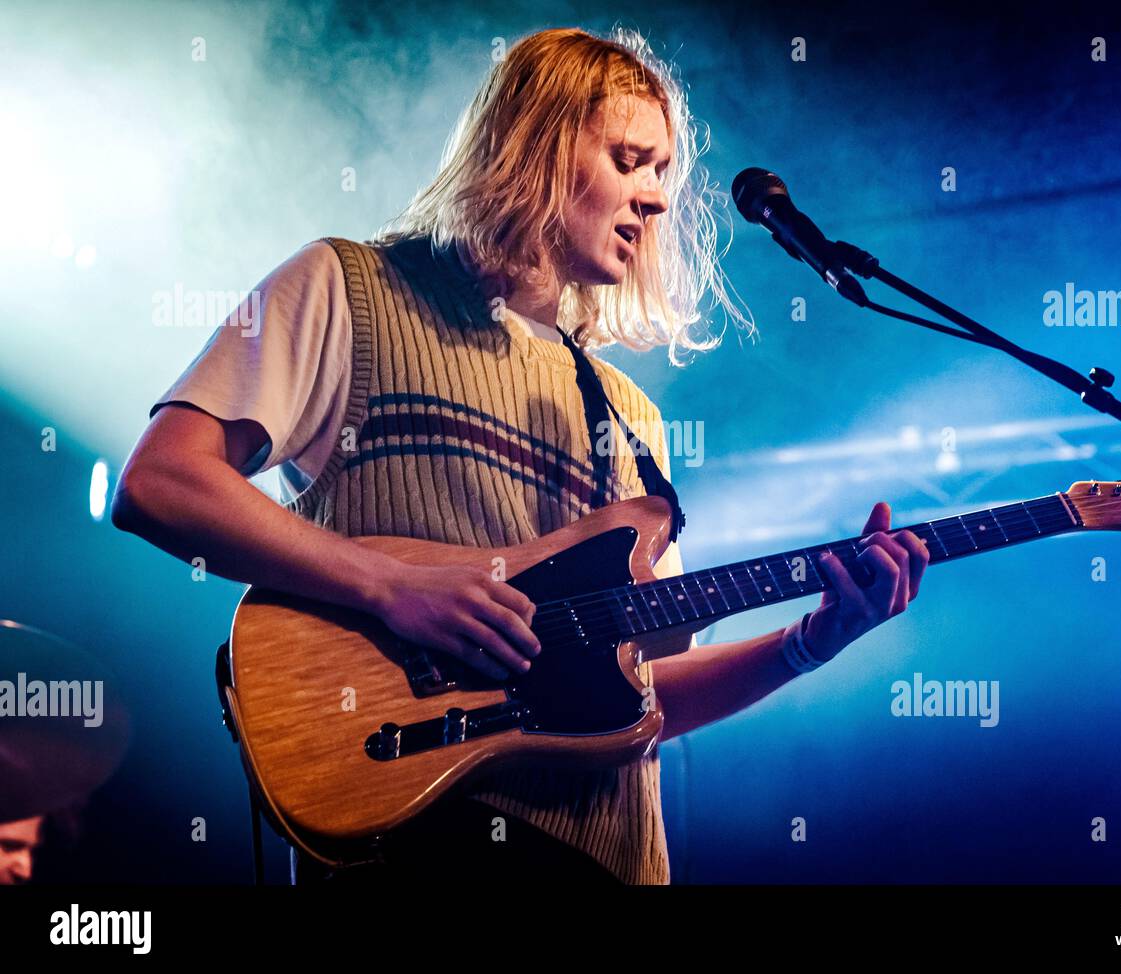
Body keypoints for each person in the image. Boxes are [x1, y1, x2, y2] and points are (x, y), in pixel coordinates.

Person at [112, 26, 929, 885]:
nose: (654, 201)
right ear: (534, 143)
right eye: (628, 159)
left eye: (663, 175)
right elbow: (163, 481)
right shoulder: (348, 290)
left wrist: (811, 640)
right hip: (413, 830)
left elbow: (642, 697)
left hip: (606, 860)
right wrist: (391, 586)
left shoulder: (632, 420)